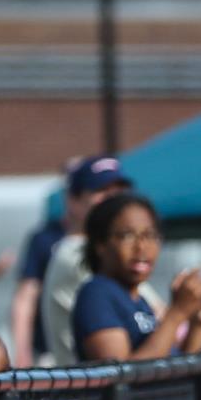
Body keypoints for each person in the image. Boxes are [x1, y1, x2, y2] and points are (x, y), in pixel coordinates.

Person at [73, 193, 201, 361]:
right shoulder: (96, 294)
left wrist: (197, 322)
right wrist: (177, 312)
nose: (142, 247)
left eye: (150, 235)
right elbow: (120, 377)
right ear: (100, 244)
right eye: (127, 236)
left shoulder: (139, 300)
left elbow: (180, 368)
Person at [36, 156, 140, 365]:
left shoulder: (111, 253)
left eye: (120, 191)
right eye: (102, 191)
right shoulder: (76, 254)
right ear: (72, 201)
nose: (115, 199)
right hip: (90, 393)